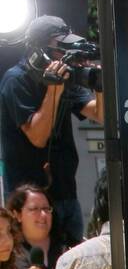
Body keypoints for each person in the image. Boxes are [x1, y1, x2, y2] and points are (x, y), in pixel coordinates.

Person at [0, 15, 103, 247]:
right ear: (40, 50)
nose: (63, 57)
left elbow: (100, 114)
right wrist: (53, 89)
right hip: (30, 205)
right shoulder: (15, 81)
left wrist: (99, 86)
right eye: (60, 48)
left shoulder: (65, 77)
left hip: (66, 194)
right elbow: (38, 137)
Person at [7, 184, 67, 269]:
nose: (43, 215)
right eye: (34, 209)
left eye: (46, 209)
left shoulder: (67, 246)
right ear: (17, 215)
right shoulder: (8, 251)